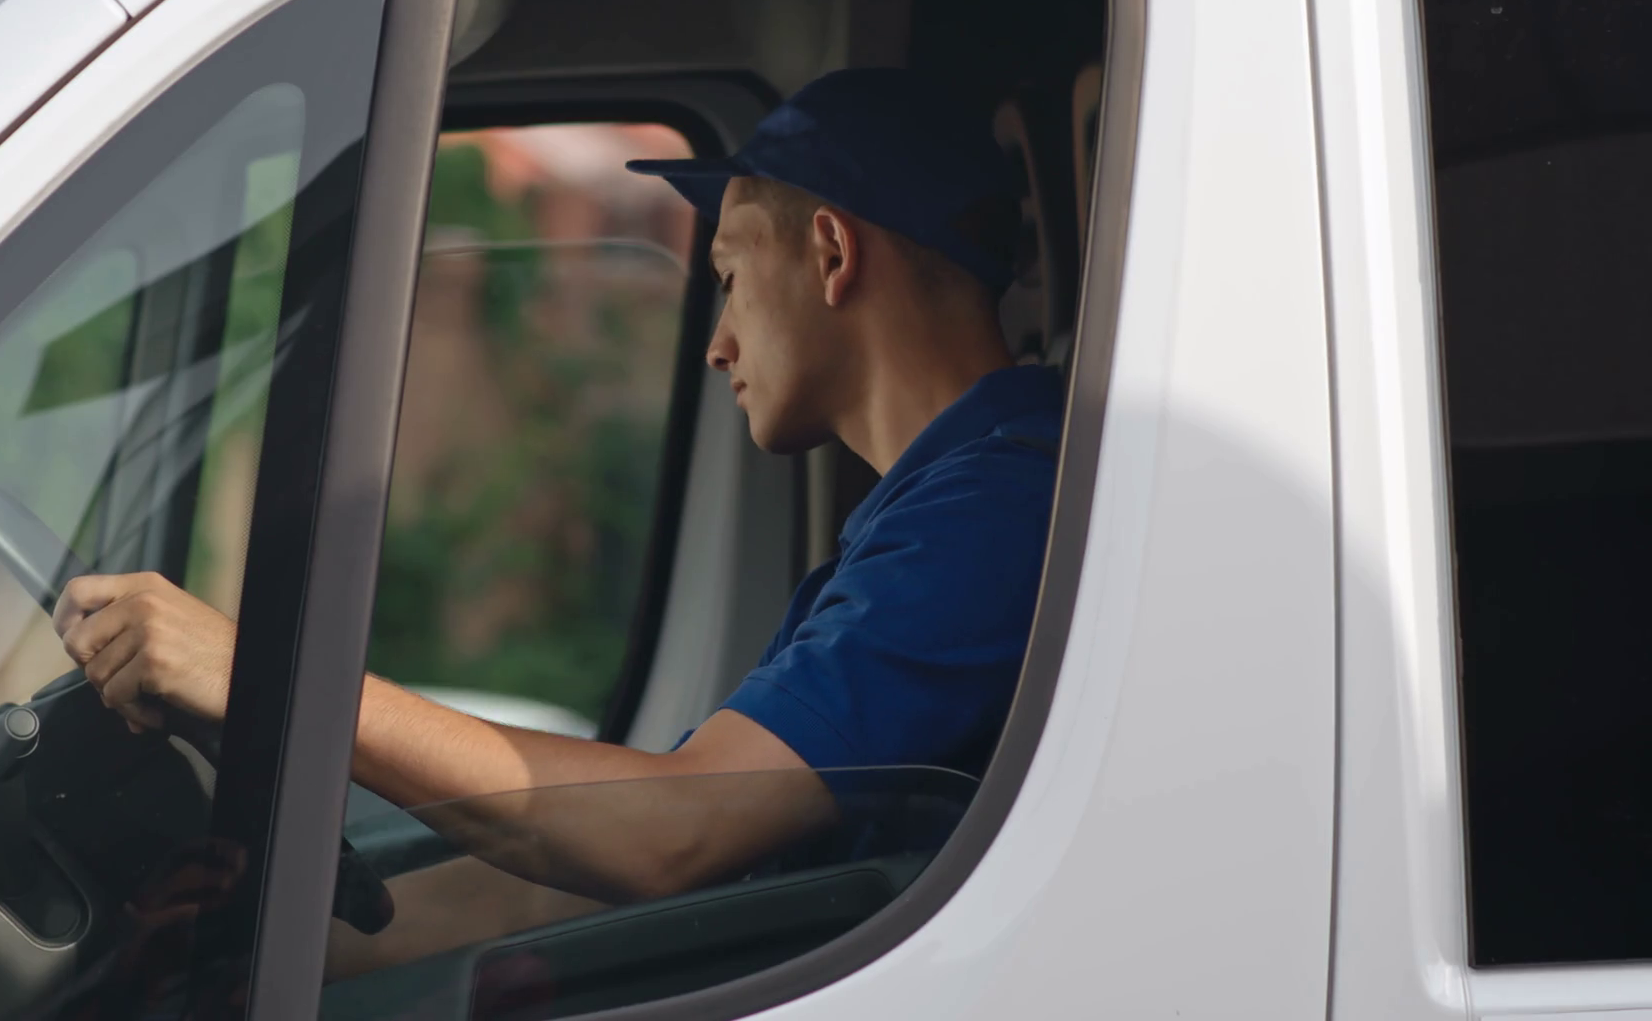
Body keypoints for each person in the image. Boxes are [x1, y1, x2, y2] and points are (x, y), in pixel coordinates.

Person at [52, 67, 1063, 972]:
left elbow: (676, 835)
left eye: (730, 279)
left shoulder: (993, 518)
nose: (716, 344)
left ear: (832, 253)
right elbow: (637, 860)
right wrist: (276, 940)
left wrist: (266, 682)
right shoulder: (931, 519)